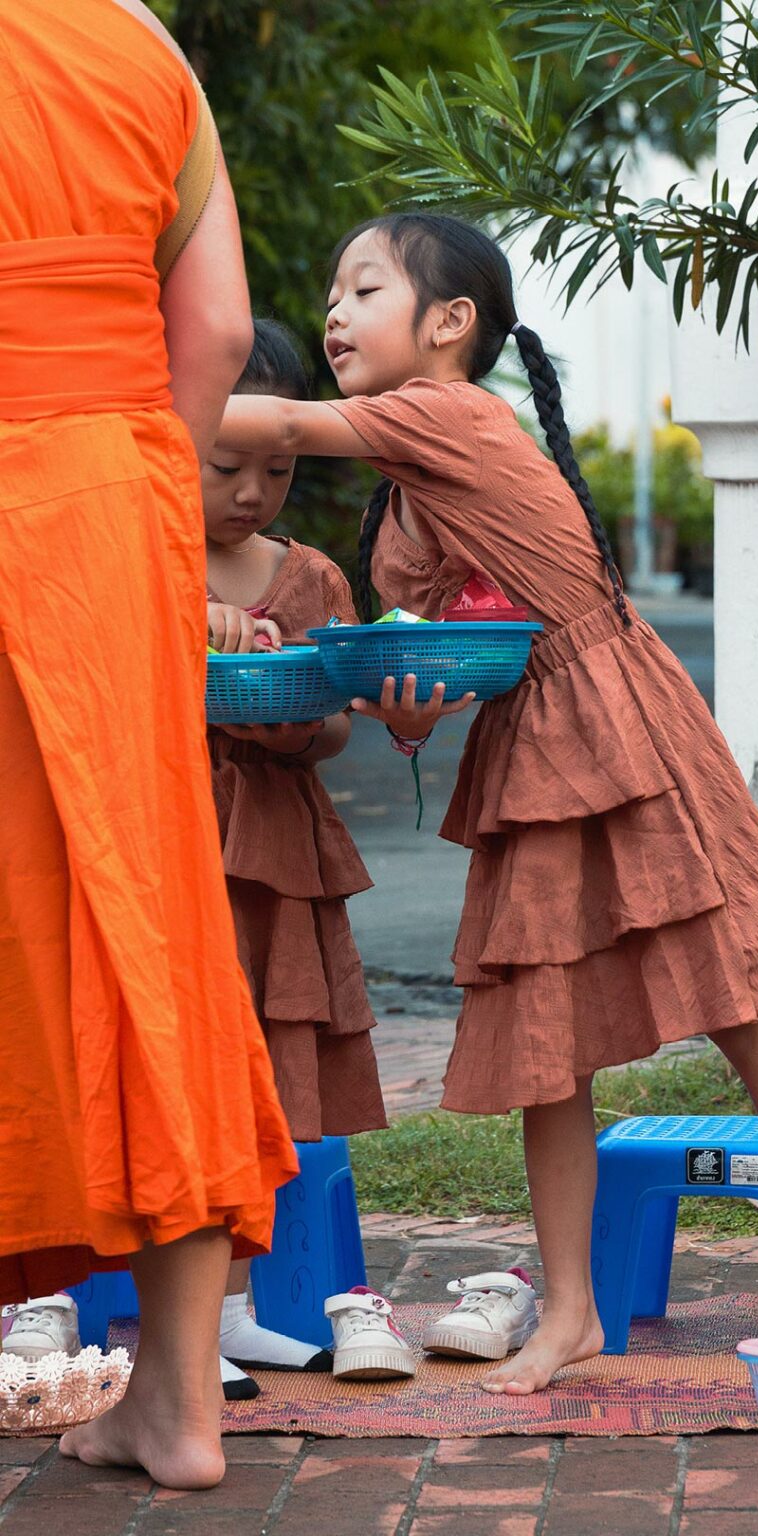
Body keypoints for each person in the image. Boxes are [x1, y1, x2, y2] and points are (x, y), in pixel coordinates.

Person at [218, 211, 758, 1397]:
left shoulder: (454, 414)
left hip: (621, 724)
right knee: (546, 1040)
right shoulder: (402, 509)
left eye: (359, 287)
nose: (331, 312)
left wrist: (115, 396)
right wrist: (404, 701)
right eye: (329, 291)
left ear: (449, 326)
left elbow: (263, 421)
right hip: (530, 756)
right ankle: (568, 1310)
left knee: (735, 992)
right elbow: (424, 700)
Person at [0, 0, 297, 1487]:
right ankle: (179, 1407)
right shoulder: (138, 43)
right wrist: (133, 483)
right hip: (109, 502)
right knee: (149, 923)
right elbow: (224, 329)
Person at [203, 319, 387, 1396]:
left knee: (261, 1074)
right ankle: (45, 1305)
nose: (252, 492)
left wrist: (302, 701)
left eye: (277, 469)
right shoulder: (138, 552)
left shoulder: (310, 577)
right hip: (169, 836)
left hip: (275, 847)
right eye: (226, 465)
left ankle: (227, 1318)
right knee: (168, 1064)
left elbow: (332, 728)